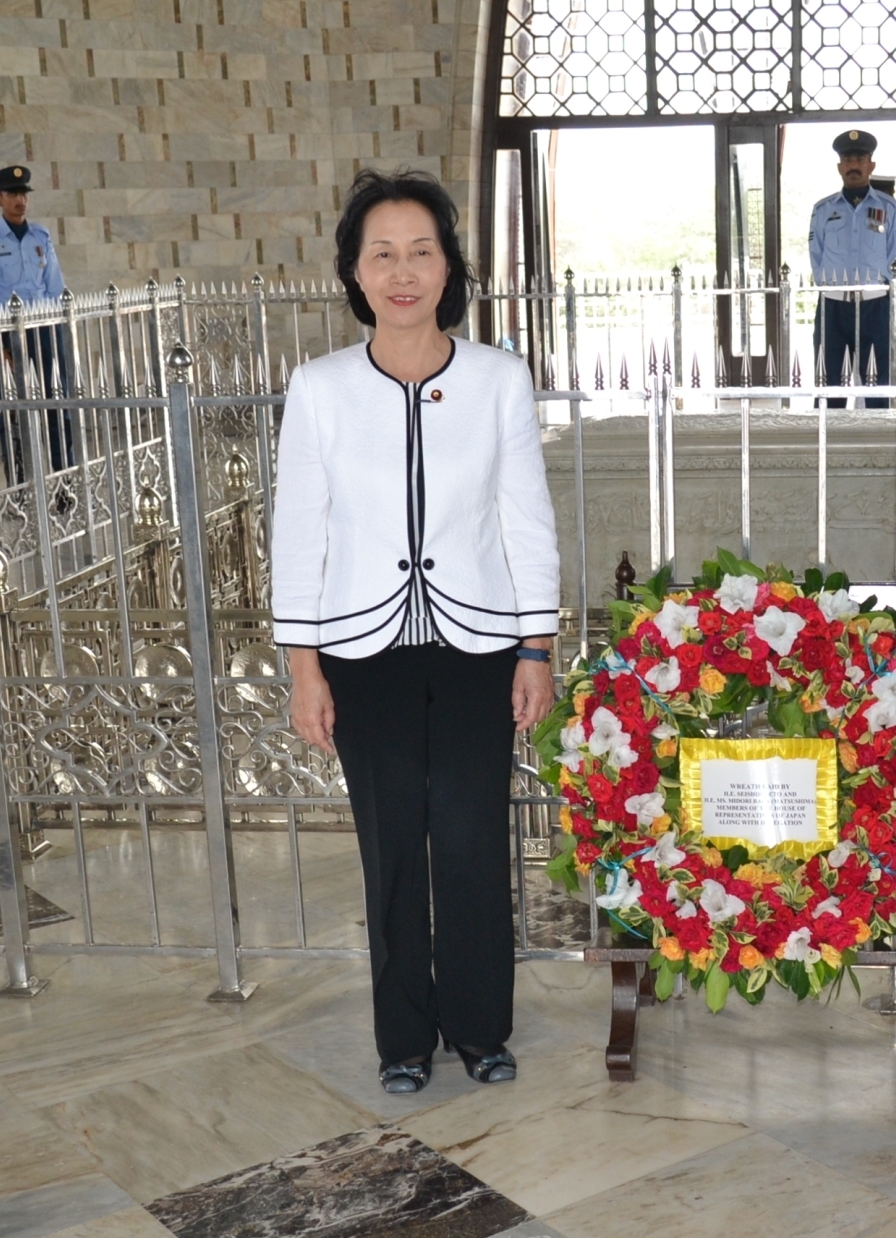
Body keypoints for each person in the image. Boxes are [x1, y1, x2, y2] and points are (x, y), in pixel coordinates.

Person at [272, 168, 561, 1096]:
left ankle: (481, 1026)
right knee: (390, 839)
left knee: (473, 836)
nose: (403, 272)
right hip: (362, 650)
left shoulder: (496, 378)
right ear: (354, 273)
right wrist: (302, 666)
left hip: (478, 642)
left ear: (449, 267)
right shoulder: (317, 389)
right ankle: (402, 1034)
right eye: (382, 254)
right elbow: (300, 528)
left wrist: (536, 646)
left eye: (421, 251)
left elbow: (526, 519)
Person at [0, 164, 75, 477]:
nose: (20, 200)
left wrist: (62, 328)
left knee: (57, 401)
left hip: (45, 328)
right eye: (12, 194)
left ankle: (63, 475)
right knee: (13, 409)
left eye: (24, 194)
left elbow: (55, 286)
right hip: (9, 333)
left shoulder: (40, 235)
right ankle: (19, 481)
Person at [808, 130, 896, 407]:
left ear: (871, 165)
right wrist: (830, 287)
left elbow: (895, 257)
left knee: (878, 387)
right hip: (833, 308)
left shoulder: (888, 208)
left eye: (860, 158)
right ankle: (828, 446)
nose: (853, 165)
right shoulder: (823, 209)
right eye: (847, 159)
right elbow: (817, 254)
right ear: (840, 167)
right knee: (829, 387)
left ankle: (879, 446)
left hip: (875, 306)